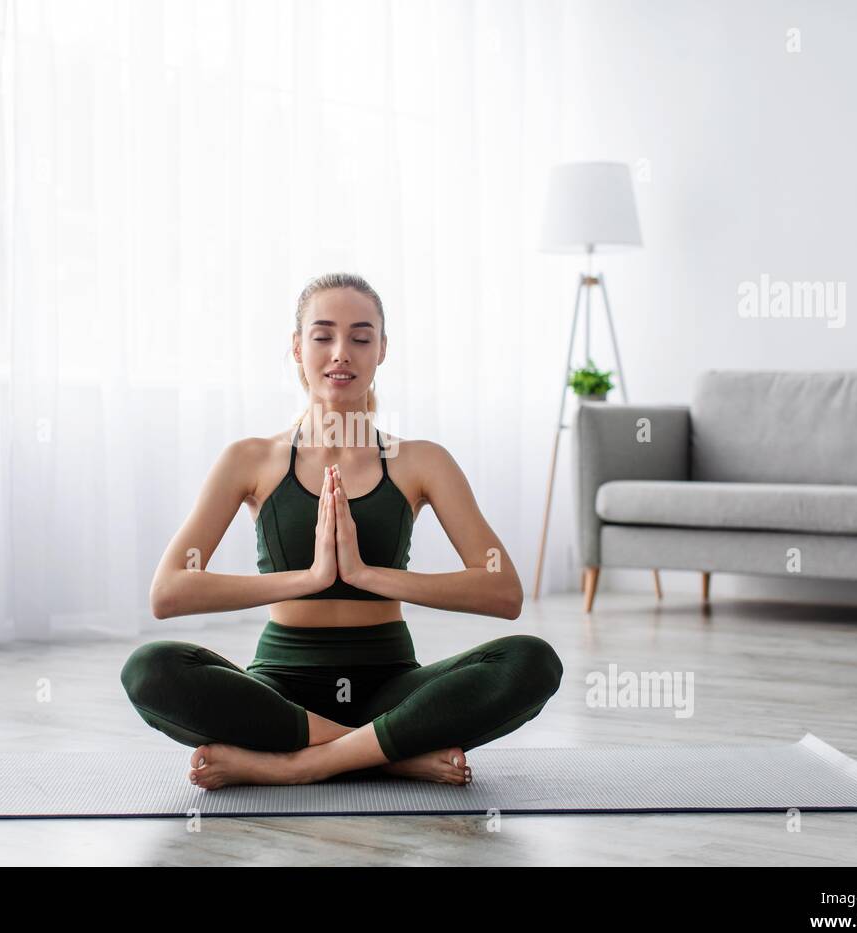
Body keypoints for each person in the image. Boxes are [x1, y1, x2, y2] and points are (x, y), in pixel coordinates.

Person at [121, 272, 563, 789]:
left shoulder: (421, 461)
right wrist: (308, 578)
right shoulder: (250, 459)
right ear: (296, 347)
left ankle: (301, 762)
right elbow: (169, 591)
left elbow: (502, 591)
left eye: (360, 337)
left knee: (531, 661)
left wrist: (366, 574)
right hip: (281, 690)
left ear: (381, 350)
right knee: (150, 668)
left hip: (391, 684)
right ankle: (385, 753)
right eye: (323, 335)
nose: (341, 353)